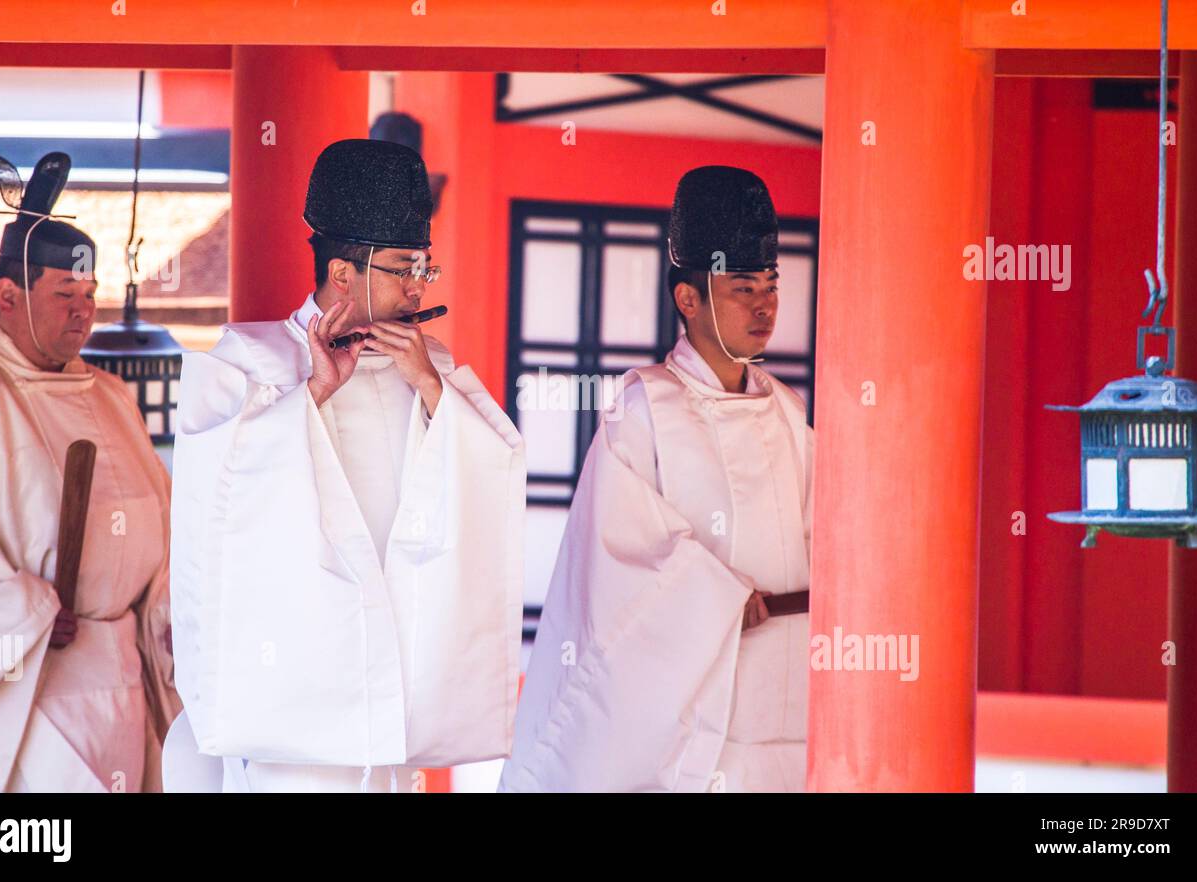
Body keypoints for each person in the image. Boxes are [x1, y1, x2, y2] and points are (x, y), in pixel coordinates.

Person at [169, 138, 524, 793]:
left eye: (424, 269)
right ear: (340, 274)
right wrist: (311, 394)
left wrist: (433, 392)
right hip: (290, 720)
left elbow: (493, 474)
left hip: (393, 714)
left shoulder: (432, 366)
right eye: (402, 269)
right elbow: (212, 509)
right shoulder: (248, 359)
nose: (419, 287)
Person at [501, 165, 813, 792]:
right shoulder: (647, 406)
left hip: (782, 687)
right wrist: (724, 599)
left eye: (771, 287)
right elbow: (618, 557)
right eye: (742, 287)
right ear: (688, 298)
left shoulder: (787, 409)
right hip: (687, 694)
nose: (764, 305)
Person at [0, 152, 181, 792]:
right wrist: (25, 612)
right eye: (64, 294)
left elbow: (171, 537)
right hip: (27, 681)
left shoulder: (115, 397)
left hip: (126, 675)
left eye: (90, 295)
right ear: (7, 297)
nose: (83, 311)